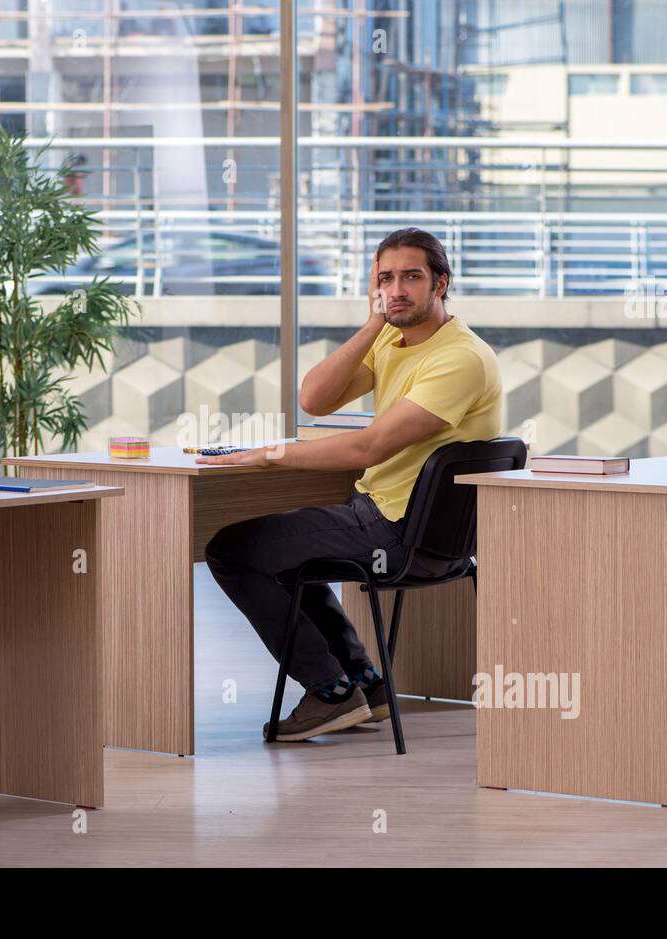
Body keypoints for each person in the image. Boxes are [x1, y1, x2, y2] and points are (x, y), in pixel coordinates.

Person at [199, 227, 502, 742]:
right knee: (289, 553)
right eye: (385, 279)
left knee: (231, 550)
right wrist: (372, 325)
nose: (397, 289)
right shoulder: (391, 337)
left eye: (412, 276)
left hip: (399, 531)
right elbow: (314, 399)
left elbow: (369, 448)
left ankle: (329, 692)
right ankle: (364, 682)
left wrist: (271, 455)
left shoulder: (460, 358)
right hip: (403, 525)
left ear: (441, 283)